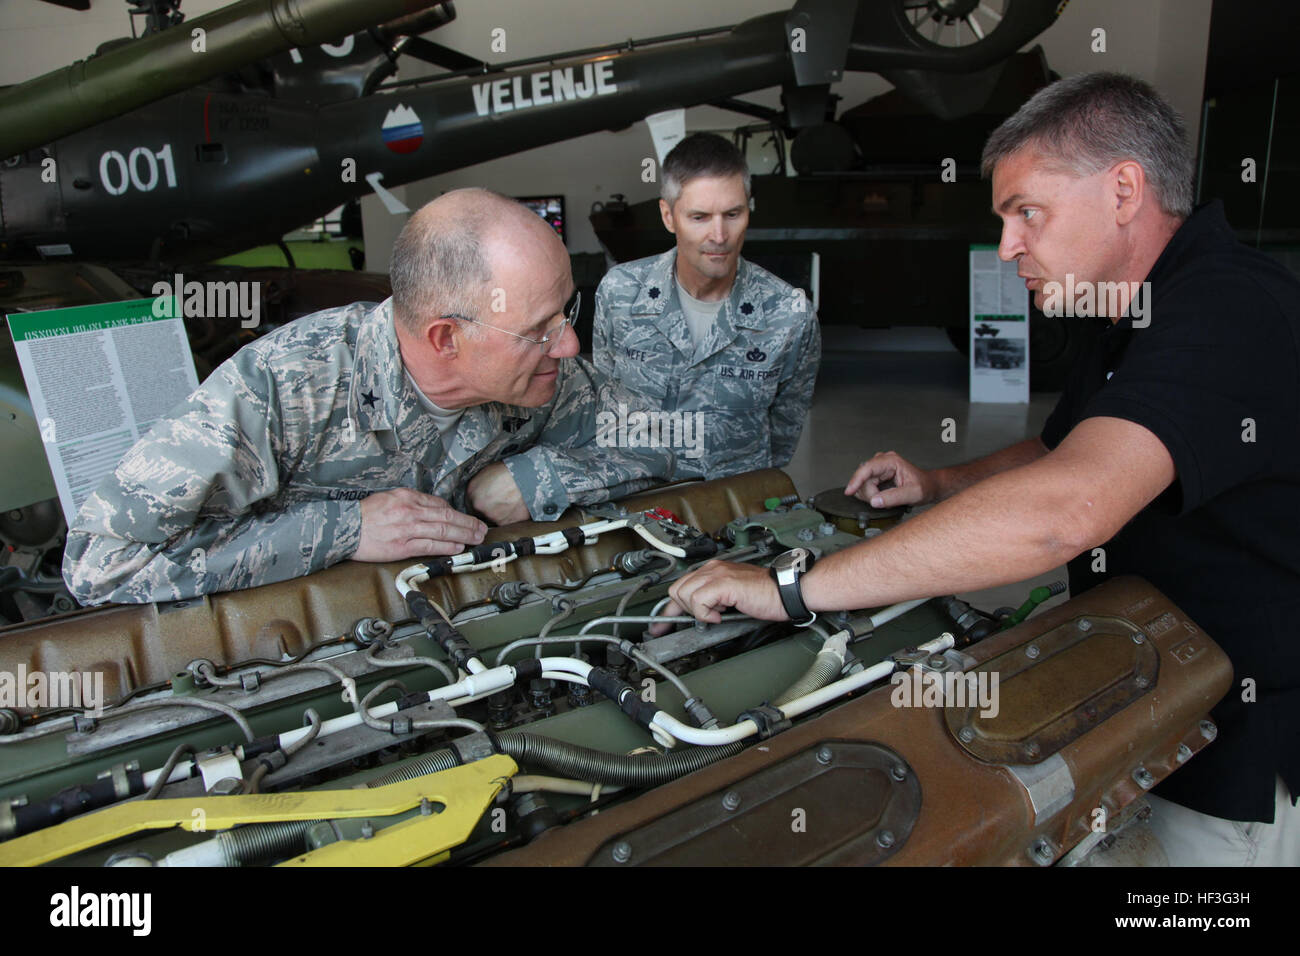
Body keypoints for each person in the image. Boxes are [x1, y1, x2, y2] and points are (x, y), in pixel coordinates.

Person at [658, 73, 1299, 865]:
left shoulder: (1228, 308)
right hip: (1154, 693)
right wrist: (940, 483)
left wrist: (788, 589)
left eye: (1027, 212)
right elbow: (1067, 451)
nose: (1007, 247)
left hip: (1234, 762)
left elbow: (1067, 509)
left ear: (1125, 189)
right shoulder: (1132, 305)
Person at [63, 188, 671, 605]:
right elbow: (101, 563)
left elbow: (668, 436)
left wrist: (543, 478)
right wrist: (344, 530)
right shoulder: (283, 389)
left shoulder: (541, 376)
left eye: (567, 313)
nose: (567, 345)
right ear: (446, 338)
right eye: (540, 328)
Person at [592, 132, 820, 478]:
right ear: (668, 216)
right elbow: (603, 399)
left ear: (748, 209)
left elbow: (784, 431)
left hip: (734, 504)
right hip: (636, 496)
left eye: (732, 214)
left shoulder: (789, 315)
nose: (719, 235)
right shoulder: (620, 293)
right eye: (699, 217)